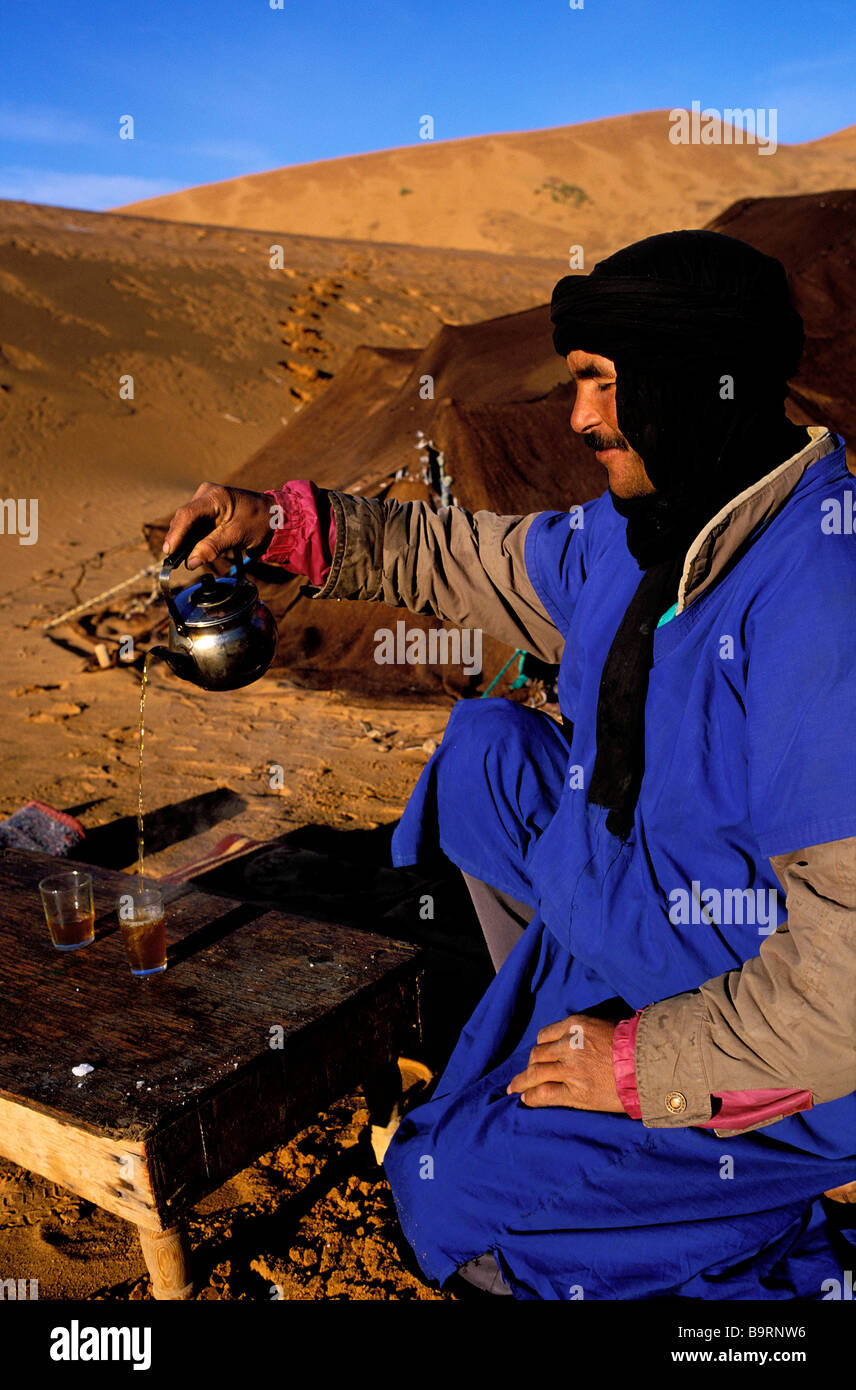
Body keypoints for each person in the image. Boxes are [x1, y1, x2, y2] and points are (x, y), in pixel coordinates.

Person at [163, 230, 856, 1301]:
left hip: (768, 1035)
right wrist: (293, 530)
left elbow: (845, 987)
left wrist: (634, 1068)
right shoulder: (652, 524)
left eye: (598, 383)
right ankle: (540, 1032)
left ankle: (741, 1235)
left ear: (689, 377)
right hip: (647, 913)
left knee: (441, 1199)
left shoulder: (821, 599)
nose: (578, 419)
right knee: (487, 749)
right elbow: (469, 557)